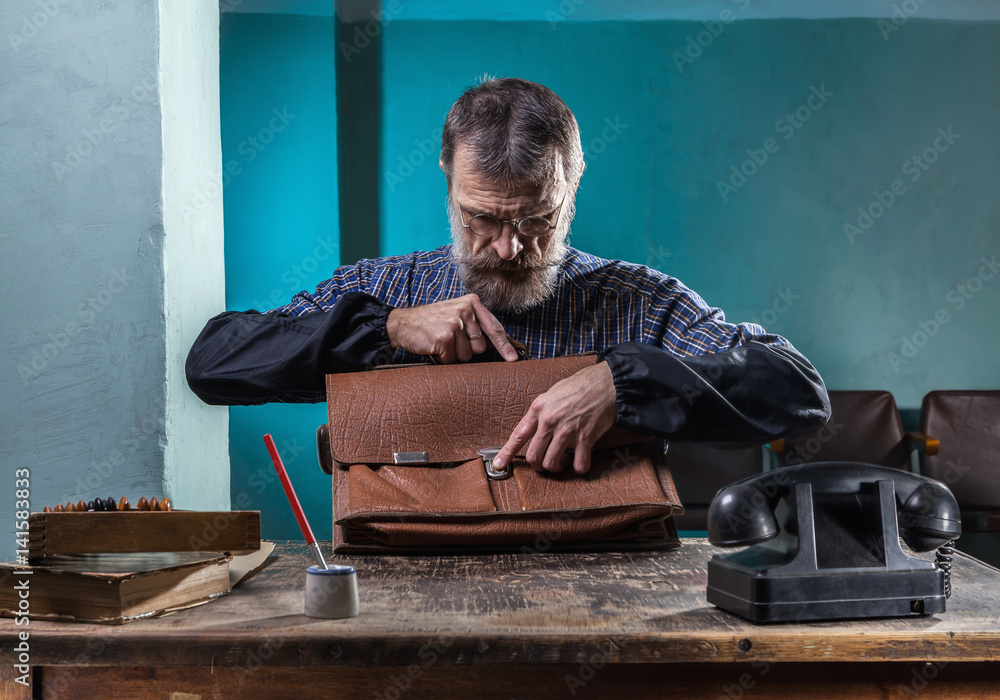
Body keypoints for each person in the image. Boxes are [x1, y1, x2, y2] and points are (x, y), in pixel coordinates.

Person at [187, 77, 830, 475]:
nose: (507, 247)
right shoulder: (386, 291)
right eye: (480, 220)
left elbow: (800, 393)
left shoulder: (644, 304)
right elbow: (213, 363)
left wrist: (624, 381)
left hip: (604, 603)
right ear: (448, 181)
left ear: (572, 189)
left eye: (536, 220)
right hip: (406, 601)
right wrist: (384, 329)